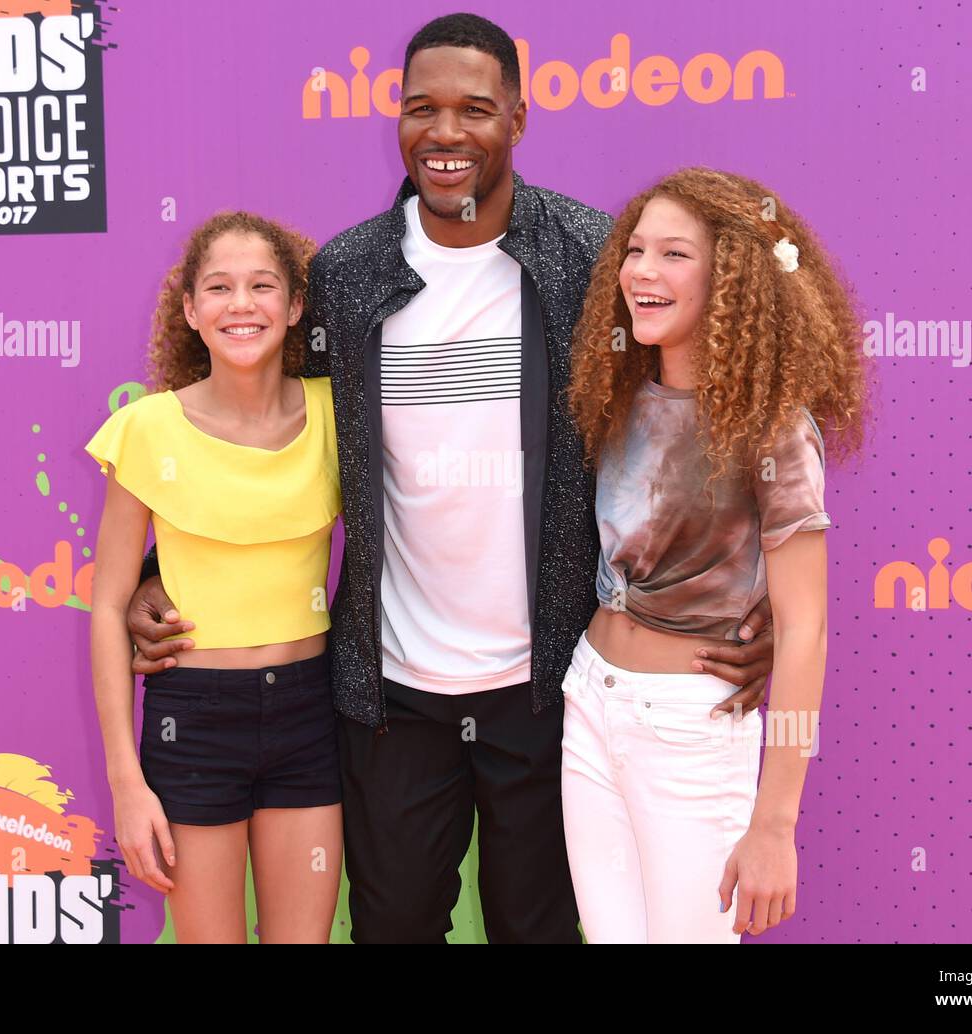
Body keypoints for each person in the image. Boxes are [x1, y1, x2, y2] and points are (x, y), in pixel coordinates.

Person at [124, 13, 778, 944]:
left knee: (540, 929)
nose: (446, 133)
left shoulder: (590, 259)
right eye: (420, 107)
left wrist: (746, 596)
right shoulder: (350, 273)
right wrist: (161, 565)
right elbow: (254, 412)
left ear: (519, 114)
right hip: (391, 692)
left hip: (553, 687)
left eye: (475, 108)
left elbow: (691, 420)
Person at [562, 167, 870, 942]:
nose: (642, 272)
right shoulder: (618, 398)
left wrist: (775, 824)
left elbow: (805, 628)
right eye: (634, 251)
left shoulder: (775, 429)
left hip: (691, 734)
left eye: (674, 255)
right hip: (590, 705)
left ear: (730, 278)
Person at [85, 211, 343, 943]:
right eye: (219, 288)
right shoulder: (147, 429)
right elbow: (107, 608)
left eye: (262, 285)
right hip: (192, 719)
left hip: (309, 715)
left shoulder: (335, 412)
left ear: (294, 306)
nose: (241, 304)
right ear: (191, 310)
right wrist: (126, 784)